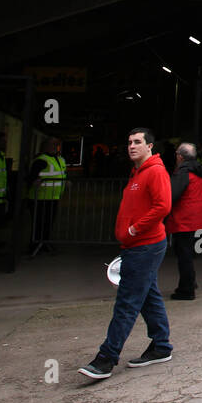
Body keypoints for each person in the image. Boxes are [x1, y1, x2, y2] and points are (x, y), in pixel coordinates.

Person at [79, 127, 173, 380]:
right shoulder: (137, 172)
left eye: (138, 142)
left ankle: (106, 359)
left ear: (150, 146)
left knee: (127, 302)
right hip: (137, 246)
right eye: (129, 142)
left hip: (145, 246)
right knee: (148, 296)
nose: (132, 146)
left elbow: (163, 206)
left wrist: (133, 229)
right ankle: (161, 346)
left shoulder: (155, 172)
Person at [166, 142, 202, 300]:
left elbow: (172, 194)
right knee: (188, 254)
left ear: (180, 156)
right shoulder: (201, 171)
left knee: (183, 255)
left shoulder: (183, 172)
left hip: (184, 219)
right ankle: (191, 281)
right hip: (198, 218)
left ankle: (186, 289)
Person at [27, 137, 66, 255]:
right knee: (40, 223)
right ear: (45, 147)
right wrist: (34, 180)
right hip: (40, 197)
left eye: (56, 145)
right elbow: (31, 177)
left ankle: (43, 243)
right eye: (52, 145)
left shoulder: (58, 159)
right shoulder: (41, 160)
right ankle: (36, 245)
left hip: (52, 197)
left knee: (48, 222)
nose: (55, 147)